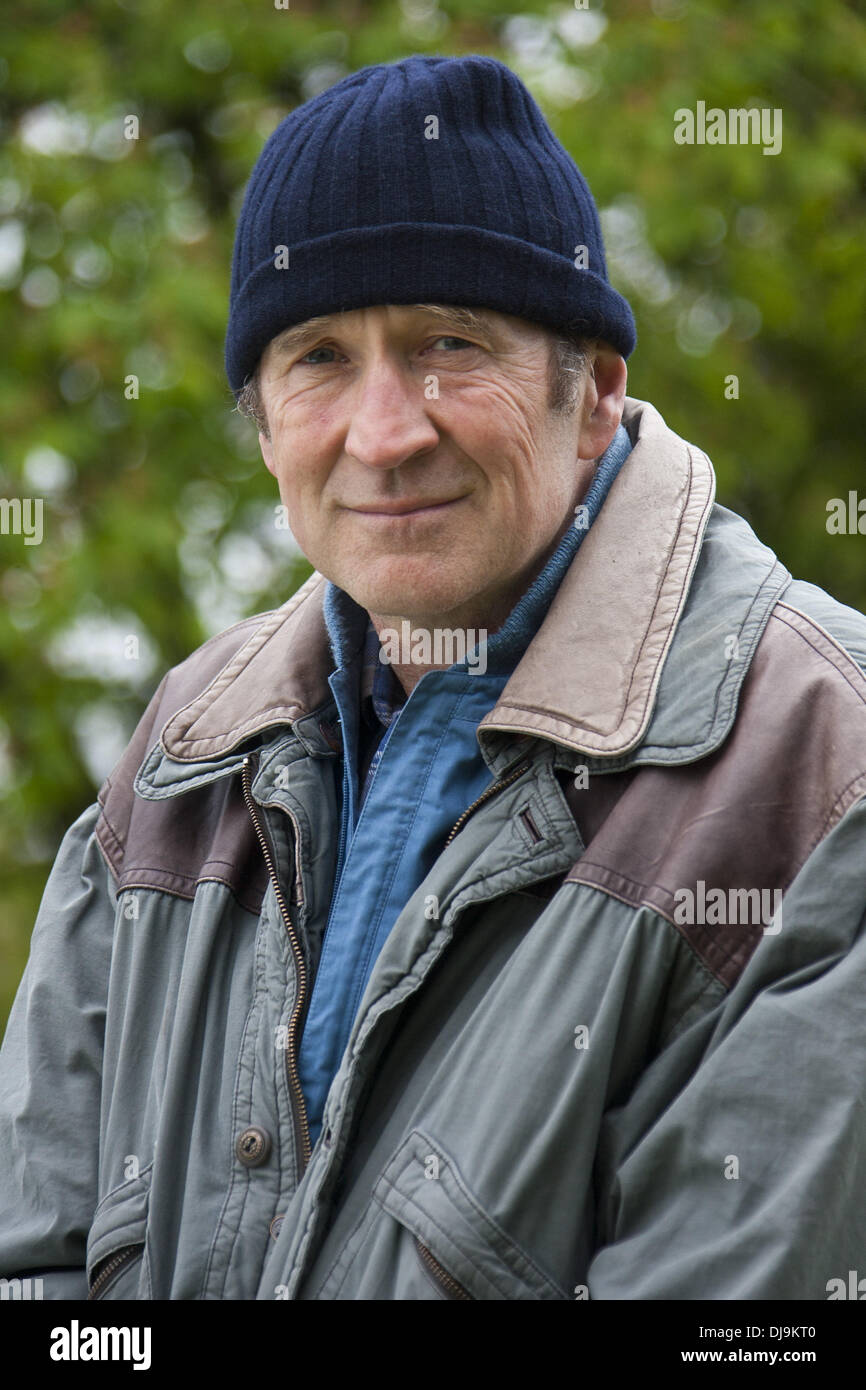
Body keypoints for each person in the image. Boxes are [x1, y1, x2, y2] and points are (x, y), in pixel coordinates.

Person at [2, 52, 866, 1303]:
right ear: (260, 425)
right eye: (316, 358)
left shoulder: (814, 766)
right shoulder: (183, 753)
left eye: (448, 343)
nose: (386, 432)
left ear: (592, 389)